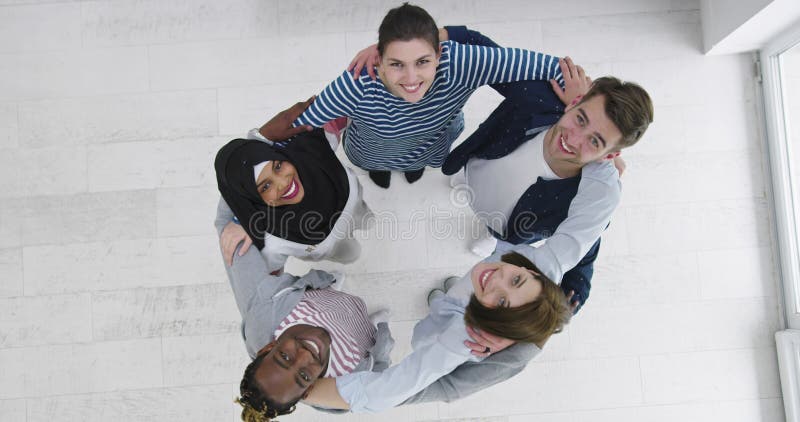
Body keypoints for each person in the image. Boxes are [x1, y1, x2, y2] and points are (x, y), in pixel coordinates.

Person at [436, 26, 653, 314]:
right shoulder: (535, 98)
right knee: (470, 186)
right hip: (475, 169)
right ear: (573, 102)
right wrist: (418, 41)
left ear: (609, 155)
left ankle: (492, 236)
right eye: (581, 119)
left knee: (498, 233)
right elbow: (485, 53)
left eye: (594, 141)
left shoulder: (585, 199)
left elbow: (584, 246)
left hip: (509, 227)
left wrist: (571, 295)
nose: (572, 140)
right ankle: (471, 191)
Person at [261, 3, 565, 189]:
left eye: (422, 62)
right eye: (396, 65)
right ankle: (380, 170)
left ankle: (412, 168)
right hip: (369, 152)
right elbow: (298, 127)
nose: (410, 80)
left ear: (439, 53)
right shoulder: (355, 83)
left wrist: (582, 102)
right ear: (378, 58)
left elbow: (546, 67)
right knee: (375, 167)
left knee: (417, 166)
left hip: (431, 147)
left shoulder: (462, 62)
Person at [297, 240, 571, 412]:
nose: (500, 280)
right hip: (459, 308)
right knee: (453, 298)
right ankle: (445, 299)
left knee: (426, 332)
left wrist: (299, 392)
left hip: (437, 337)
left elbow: (432, 385)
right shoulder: (523, 272)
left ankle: (444, 303)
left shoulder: (465, 343)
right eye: (515, 281)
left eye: (502, 302)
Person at [214, 204, 393, 421]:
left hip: (324, 300)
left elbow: (226, 224)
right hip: (360, 336)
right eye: (304, 375)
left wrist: (243, 219)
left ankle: (333, 284)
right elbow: (381, 377)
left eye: (285, 356)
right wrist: (382, 336)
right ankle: (373, 323)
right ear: (310, 390)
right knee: (371, 328)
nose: (305, 355)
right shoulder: (344, 388)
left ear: (269, 347)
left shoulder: (263, 311)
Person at [214, 122, 372, 274]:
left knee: (367, 221)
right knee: (352, 253)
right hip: (336, 248)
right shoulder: (272, 243)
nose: (284, 183)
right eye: (265, 186)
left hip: (358, 210)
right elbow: (272, 278)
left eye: (277, 166)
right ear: (253, 199)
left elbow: (345, 107)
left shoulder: (313, 147)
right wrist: (242, 220)